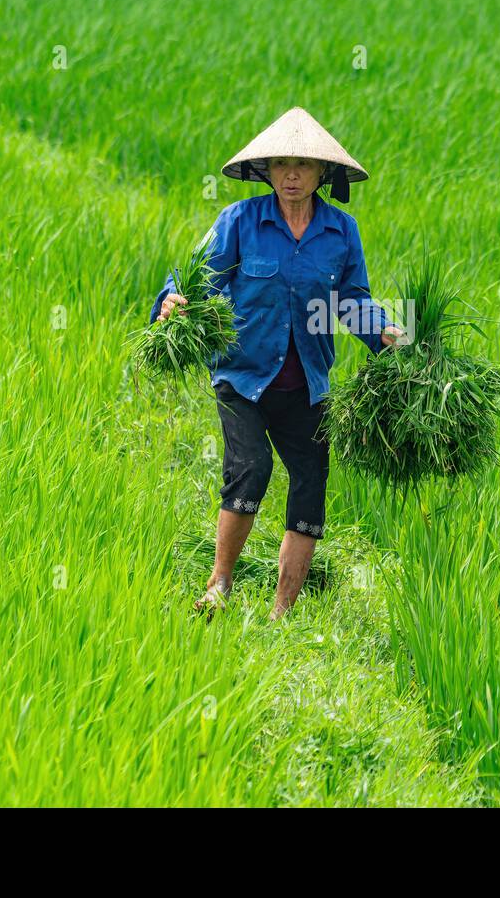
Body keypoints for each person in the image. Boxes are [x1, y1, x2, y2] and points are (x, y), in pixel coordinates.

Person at [149, 107, 404, 620]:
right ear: (266, 170)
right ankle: (220, 582)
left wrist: (391, 335)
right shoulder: (240, 222)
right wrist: (172, 300)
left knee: (310, 482)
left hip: (307, 385)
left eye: (303, 166)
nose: (291, 175)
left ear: (322, 175)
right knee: (252, 468)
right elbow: (196, 279)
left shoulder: (340, 232)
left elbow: (353, 300)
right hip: (244, 377)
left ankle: (281, 611)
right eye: (281, 164)